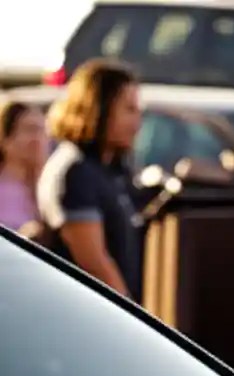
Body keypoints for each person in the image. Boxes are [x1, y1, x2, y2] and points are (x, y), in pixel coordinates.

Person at [37, 59, 143, 299]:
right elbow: (95, 263)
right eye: (128, 110)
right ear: (98, 108)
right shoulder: (75, 172)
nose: (137, 123)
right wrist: (131, 320)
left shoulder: (113, 169)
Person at [0, 100, 48, 236]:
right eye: (30, 130)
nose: (38, 138)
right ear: (6, 138)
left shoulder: (47, 187)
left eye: (42, 130)